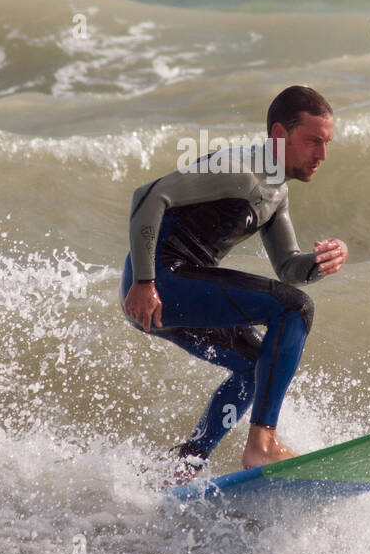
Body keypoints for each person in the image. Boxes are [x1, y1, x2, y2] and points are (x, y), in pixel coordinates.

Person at [119, 85, 347, 477]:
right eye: (313, 141)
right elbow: (148, 197)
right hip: (162, 284)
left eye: (326, 144)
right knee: (296, 309)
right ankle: (263, 445)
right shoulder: (237, 169)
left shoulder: (276, 192)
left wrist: (323, 261)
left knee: (256, 365)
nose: (322, 155)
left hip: (180, 289)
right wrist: (144, 283)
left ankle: (187, 464)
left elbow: (289, 267)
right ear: (280, 134)